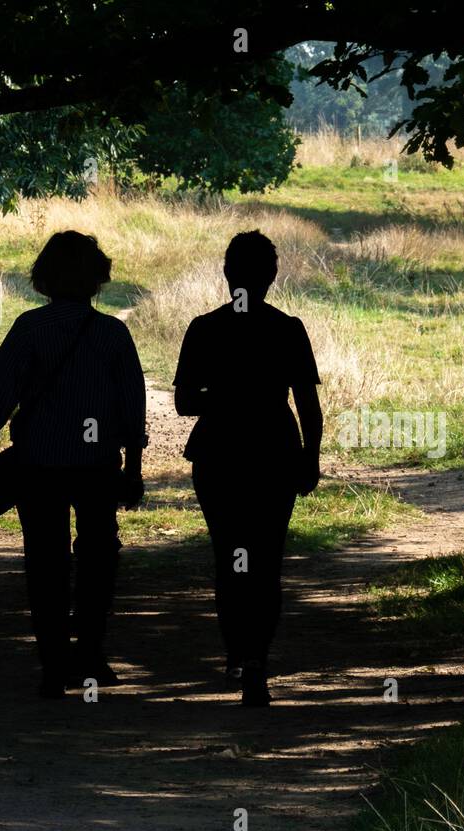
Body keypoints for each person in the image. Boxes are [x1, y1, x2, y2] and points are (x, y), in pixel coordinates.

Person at [0, 231, 146, 698]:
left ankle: (52, 664)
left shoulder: (29, 328)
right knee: (99, 557)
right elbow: (131, 406)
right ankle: (91, 656)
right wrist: (133, 467)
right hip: (97, 466)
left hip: (38, 464)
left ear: (44, 278)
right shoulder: (112, 334)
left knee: (45, 561)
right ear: (97, 279)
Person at [174, 230, 322, 706]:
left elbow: (181, 402)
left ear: (226, 273)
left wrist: (224, 397)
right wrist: (311, 458)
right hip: (275, 452)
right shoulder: (288, 328)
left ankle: (237, 652)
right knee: (266, 560)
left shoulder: (204, 328)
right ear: (272, 277)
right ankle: (256, 658)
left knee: (230, 556)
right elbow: (309, 406)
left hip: (218, 453)